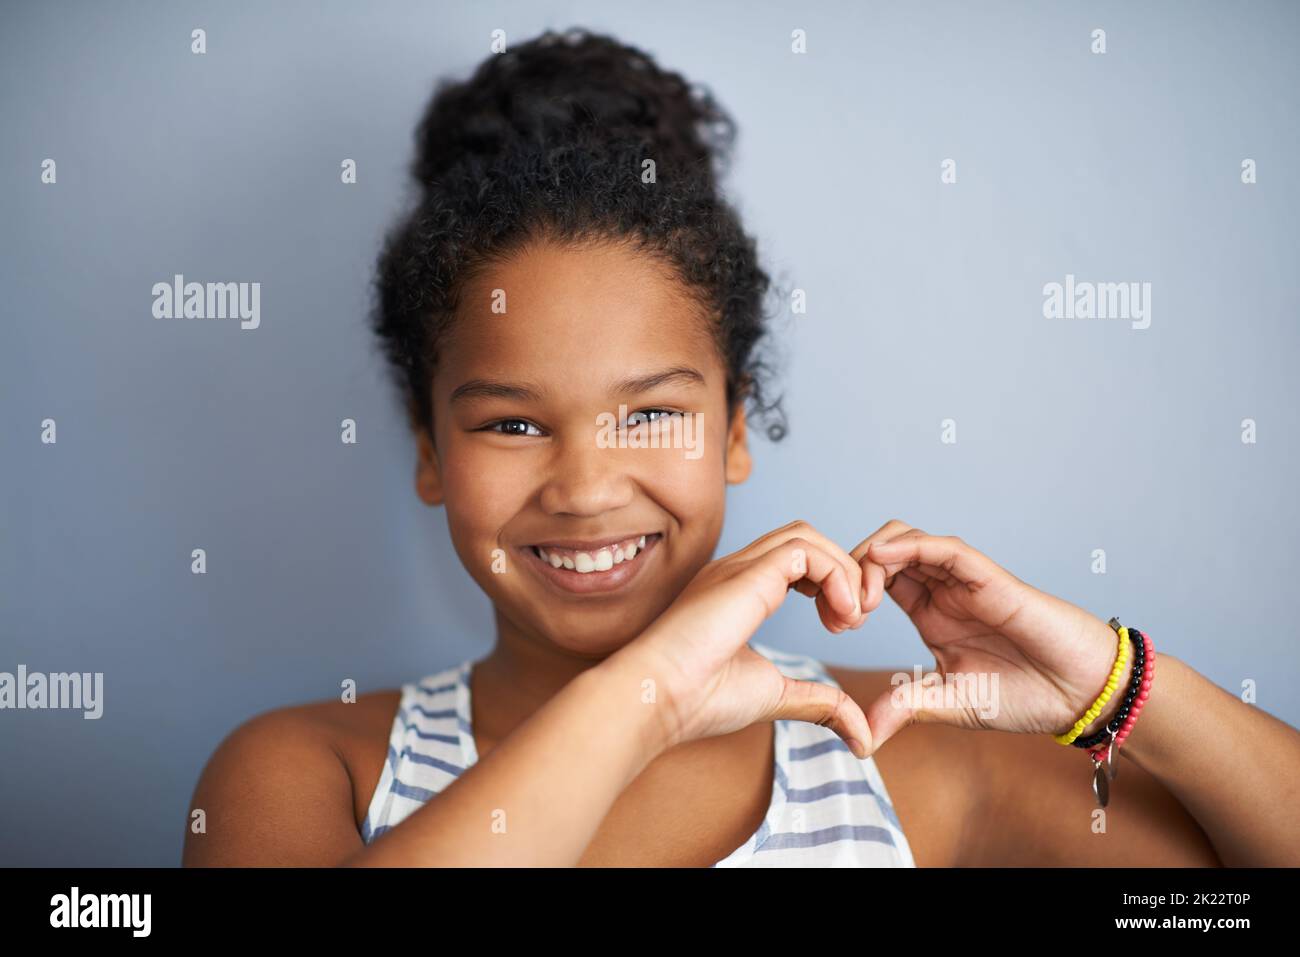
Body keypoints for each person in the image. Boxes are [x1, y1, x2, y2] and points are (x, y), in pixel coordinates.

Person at [182, 27, 1300, 868]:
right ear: (429, 449)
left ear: (732, 429)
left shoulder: (898, 753)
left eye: (652, 411)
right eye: (512, 422)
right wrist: (649, 696)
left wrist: (1120, 686)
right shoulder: (302, 768)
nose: (582, 488)